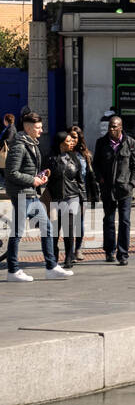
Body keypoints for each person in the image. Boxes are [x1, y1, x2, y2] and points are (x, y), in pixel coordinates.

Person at [5, 111, 69, 281]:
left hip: (31, 194)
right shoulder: (19, 145)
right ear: (28, 128)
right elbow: (11, 173)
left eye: (41, 127)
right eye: (38, 127)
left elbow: (27, 170)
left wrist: (40, 176)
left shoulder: (31, 143)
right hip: (21, 194)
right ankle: (13, 270)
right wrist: (32, 180)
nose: (41, 130)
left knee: (47, 228)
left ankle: (51, 267)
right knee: (17, 233)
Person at [92, 115, 135, 265]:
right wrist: (100, 179)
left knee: (124, 221)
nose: (111, 129)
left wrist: (132, 183)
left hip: (124, 189)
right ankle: (109, 251)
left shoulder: (130, 143)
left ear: (121, 127)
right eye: (110, 126)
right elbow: (96, 164)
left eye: (114, 126)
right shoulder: (101, 142)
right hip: (107, 188)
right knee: (108, 220)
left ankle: (123, 253)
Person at [44, 130, 87, 269]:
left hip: (72, 197)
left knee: (69, 229)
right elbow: (44, 178)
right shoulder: (50, 158)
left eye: (72, 141)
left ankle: (69, 257)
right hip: (55, 198)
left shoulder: (74, 157)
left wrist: (83, 198)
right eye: (68, 141)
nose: (72, 143)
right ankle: (54, 256)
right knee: (55, 230)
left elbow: (80, 180)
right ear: (60, 143)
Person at [69, 125, 97, 261]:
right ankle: (68, 251)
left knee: (79, 222)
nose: (73, 140)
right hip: (66, 193)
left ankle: (77, 249)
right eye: (71, 136)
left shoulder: (85, 154)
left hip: (81, 193)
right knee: (67, 223)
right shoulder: (63, 152)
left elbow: (90, 175)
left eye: (75, 137)